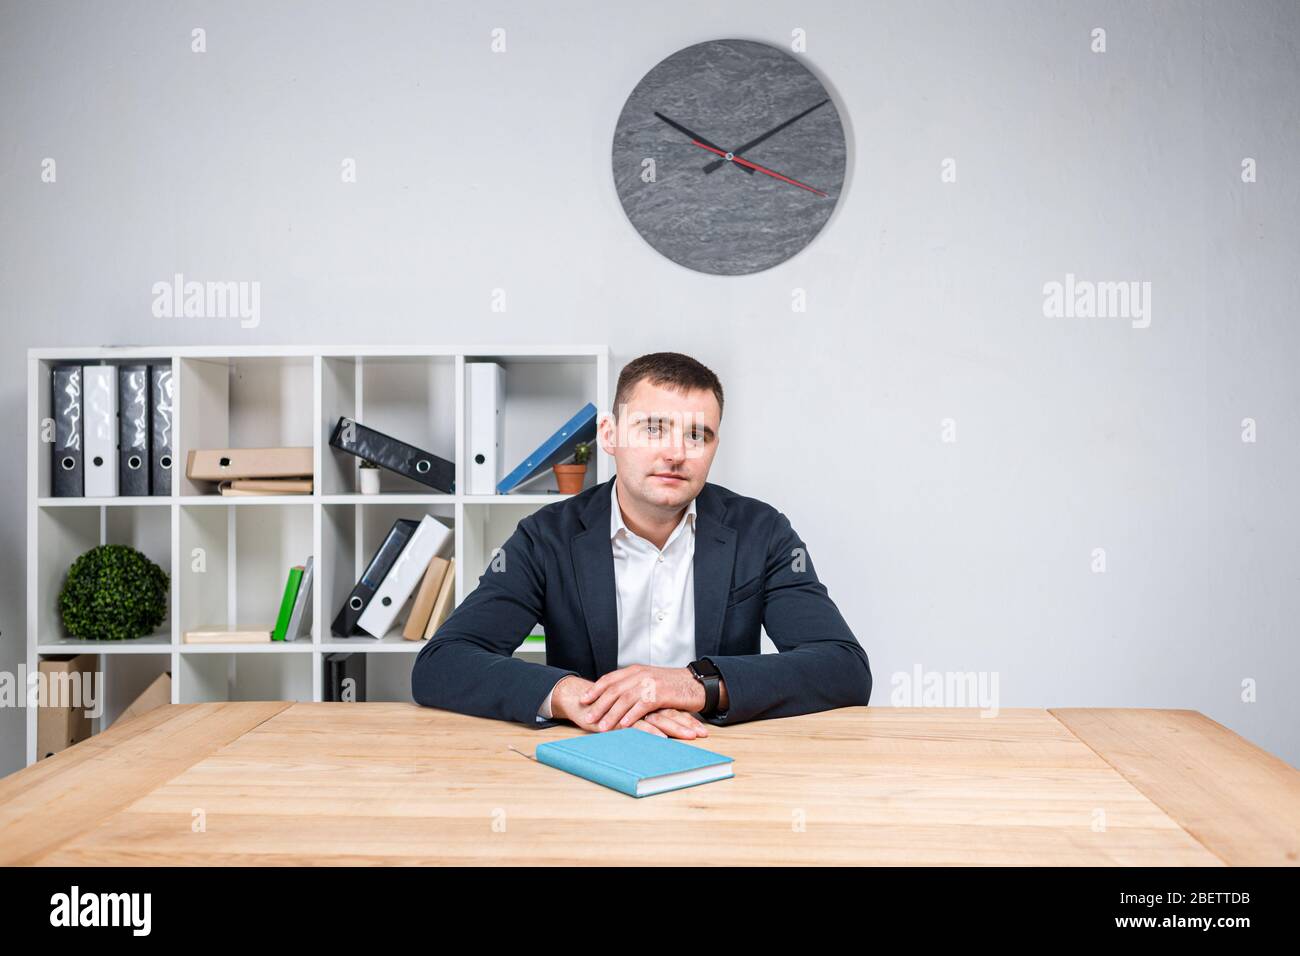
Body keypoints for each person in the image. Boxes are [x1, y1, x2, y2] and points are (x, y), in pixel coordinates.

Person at [411, 351, 871, 738]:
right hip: (594, 756)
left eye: (697, 434)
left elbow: (843, 668)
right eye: (654, 428)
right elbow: (442, 663)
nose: (675, 452)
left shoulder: (762, 531)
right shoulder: (545, 536)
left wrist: (693, 686)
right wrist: (579, 697)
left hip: (719, 755)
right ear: (609, 436)